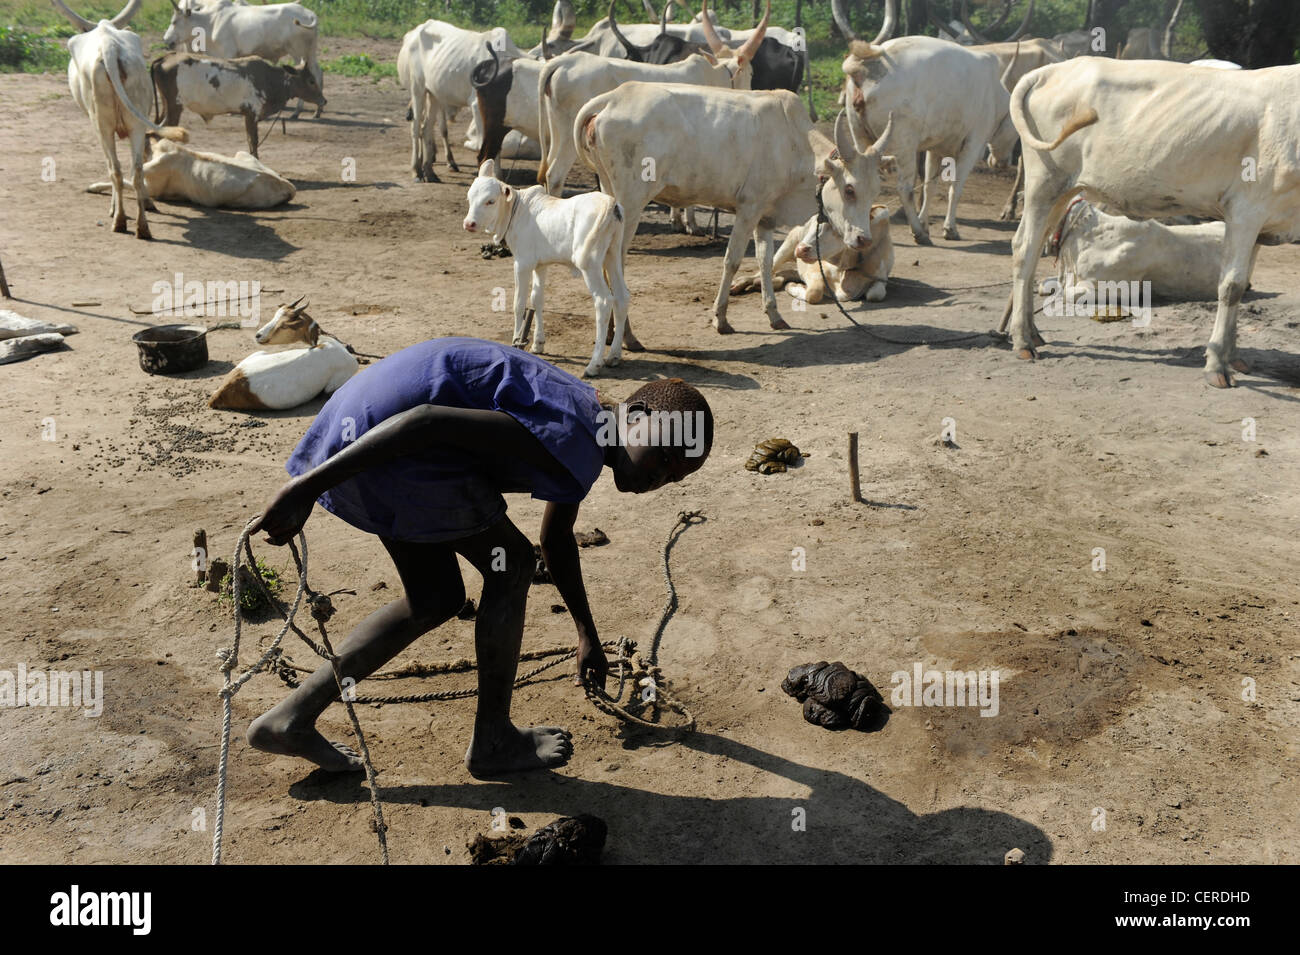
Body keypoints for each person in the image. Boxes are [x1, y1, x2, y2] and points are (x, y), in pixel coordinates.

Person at [245, 337, 713, 777]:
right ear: (640, 414)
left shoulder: (590, 421)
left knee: (435, 597)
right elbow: (427, 421)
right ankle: (493, 740)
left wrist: (586, 635)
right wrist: (306, 488)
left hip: (373, 430)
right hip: (384, 439)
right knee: (510, 564)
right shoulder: (577, 436)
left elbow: (557, 539)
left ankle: (290, 719)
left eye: (676, 476)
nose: (662, 477)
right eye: (667, 455)